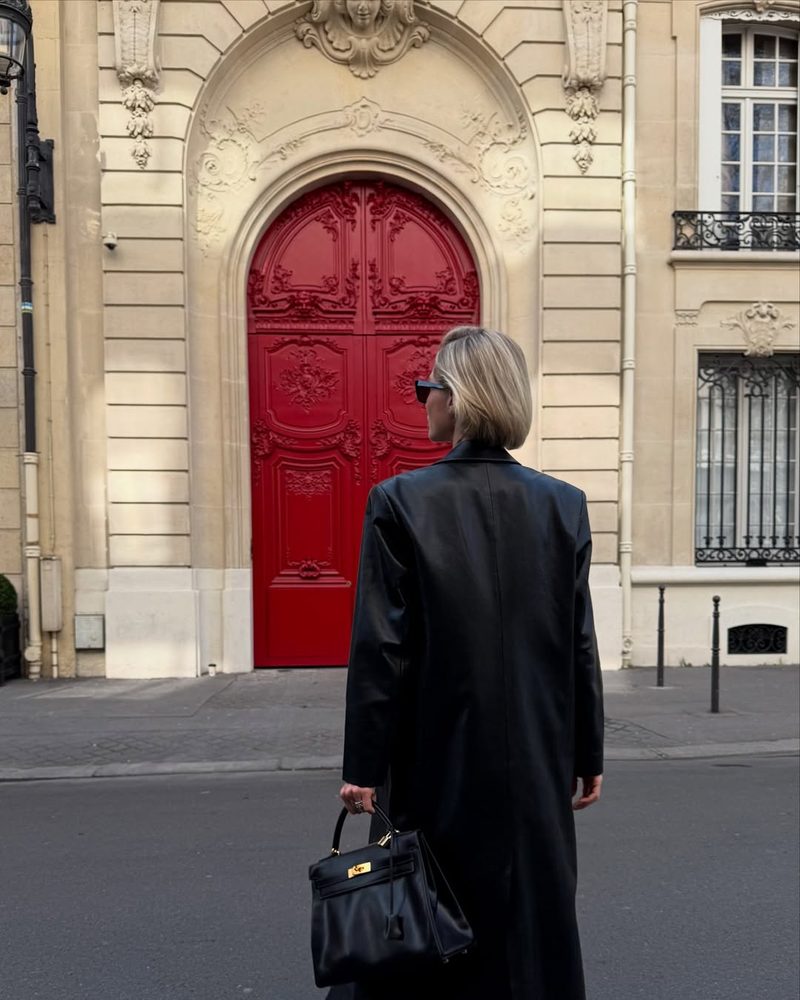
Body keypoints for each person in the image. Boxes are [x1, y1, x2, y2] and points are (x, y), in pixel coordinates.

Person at [333, 326, 603, 1000]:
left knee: (429, 921)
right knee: (529, 925)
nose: (423, 400)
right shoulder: (563, 505)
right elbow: (578, 641)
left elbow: (382, 649)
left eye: (429, 388)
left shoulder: (399, 502)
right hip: (537, 761)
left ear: (458, 400)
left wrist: (363, 767)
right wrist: (587, 751)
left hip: (436, 761)